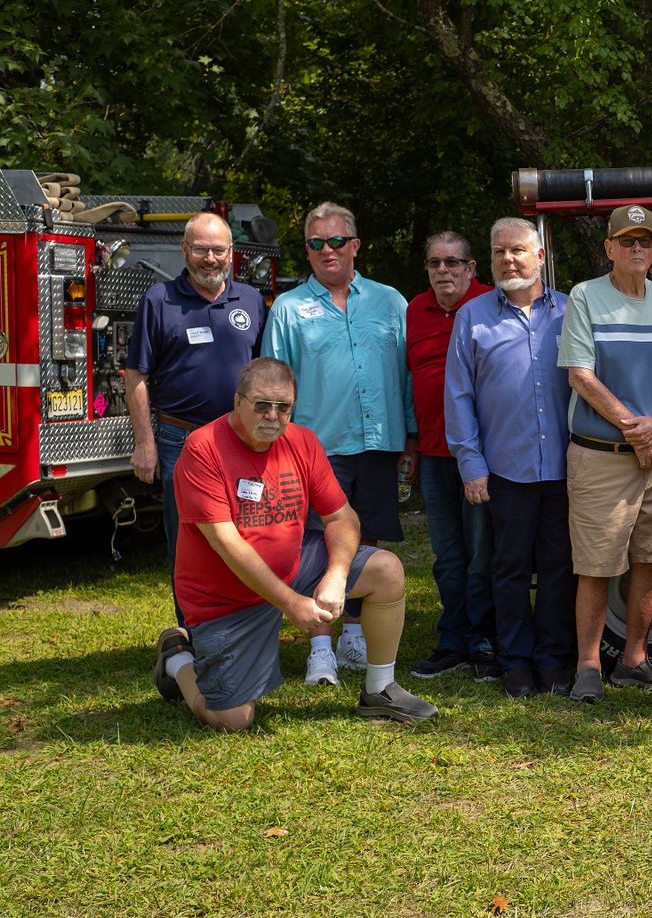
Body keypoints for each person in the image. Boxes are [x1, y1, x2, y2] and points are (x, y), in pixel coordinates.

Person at [150, 358, 437, 730]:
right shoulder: (202, 448)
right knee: (232, 721)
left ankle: (380, 690)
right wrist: (291, 603)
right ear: (237, 402)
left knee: (386, 569)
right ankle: (177, 657)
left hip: (293, 567)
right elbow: (227, 543)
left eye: (283, 407)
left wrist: (335, 575)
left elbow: (341, 517)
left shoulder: (302, 441)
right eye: (262, 405)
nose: (273, 416)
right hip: (224, 599)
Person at [263, 202, 415, 684]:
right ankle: (320, 648)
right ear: (307, 252)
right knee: (314, 543)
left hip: (379, 442)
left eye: (336, 241)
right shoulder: (288, 309)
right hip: (314, 451)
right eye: (316, 243)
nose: (327, 250)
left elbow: (407, 374)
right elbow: (273, 383)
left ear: (354, 245)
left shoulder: (391, 301)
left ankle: (353, 635)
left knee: (365, 537)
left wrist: (409, 434)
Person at [558, 203, 652, 704]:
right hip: (602, 454)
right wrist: (635, 429)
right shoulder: (585, 297)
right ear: (609, 247)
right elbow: (580, 375)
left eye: (646, 242)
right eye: (628, 241)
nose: (637, 249)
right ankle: (589, 667)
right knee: (597, 566)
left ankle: (634, 661)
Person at [445, 218, 577, 698]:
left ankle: (551, 659)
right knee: (510, 567)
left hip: (567, 467)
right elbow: (458, 395)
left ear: (540, 256)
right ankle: (516, 661)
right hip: (506, 466)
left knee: (560, 564)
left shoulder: (570, 313)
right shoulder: (473, 316)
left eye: (518, 250)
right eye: (499, 252)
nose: (508, 260)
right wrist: (471, 464)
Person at [127, 211, 267, 657]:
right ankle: (193, 637)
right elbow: (136, 375)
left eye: (219, 249)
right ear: (184, 250)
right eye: (202, 249)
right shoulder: (160, 300)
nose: (211, 258)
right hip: (180, 442)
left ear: (232, 253)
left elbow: (268, 374)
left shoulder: (252, 300)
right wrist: (145, 442)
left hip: (242, 442)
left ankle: (244, 631)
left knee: (249, 534)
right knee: (190, 539)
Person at [405, 231, 495, 682]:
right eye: (435, 263)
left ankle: (483, 640)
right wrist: (411, 440)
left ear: (471, 267)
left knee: (482, 553)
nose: (443, 271)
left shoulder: (489, 305)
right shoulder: (414, 310)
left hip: (479, 455)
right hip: (434, 452)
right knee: (447, 554)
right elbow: (410, 378)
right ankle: (452, 639)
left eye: (453, 263)